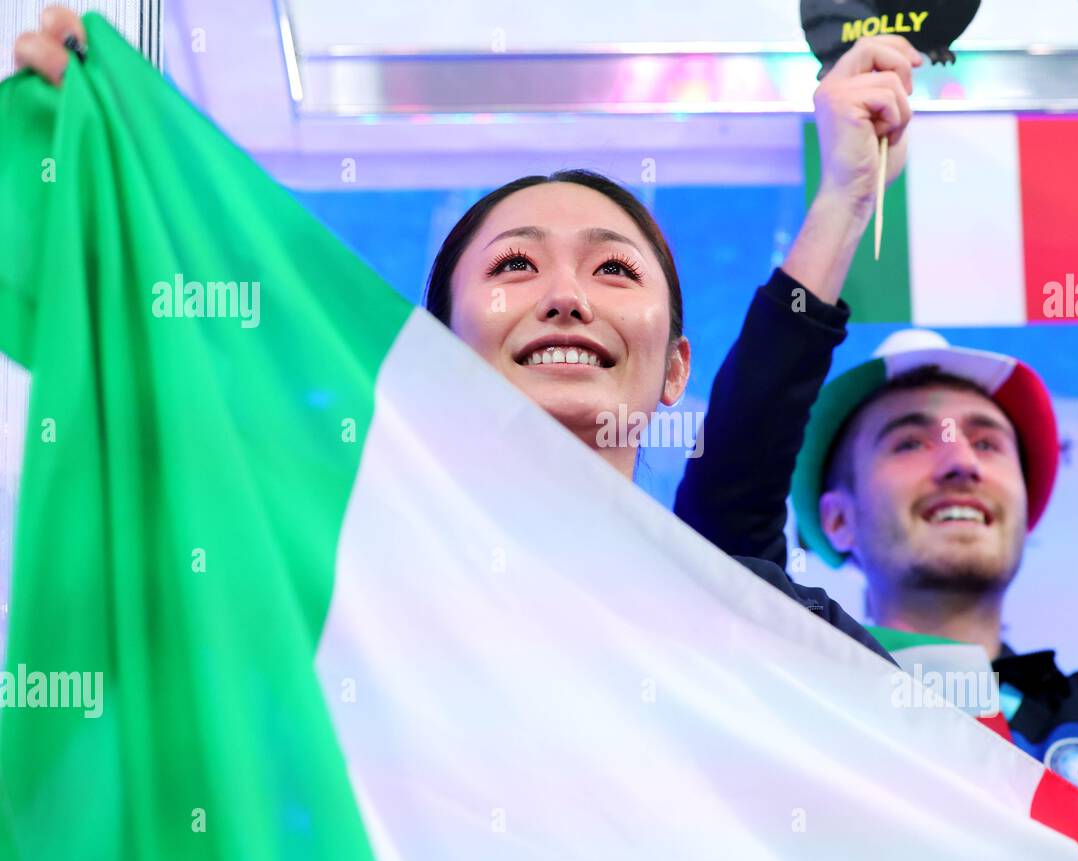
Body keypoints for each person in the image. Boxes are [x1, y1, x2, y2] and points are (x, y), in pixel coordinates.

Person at [13, 8, 922, 664]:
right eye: (515, 267)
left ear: (675, 368)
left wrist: (846, 200)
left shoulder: (751, 622)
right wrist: (86, 187)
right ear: (438, 351)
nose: (567, 298)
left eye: (613, 270)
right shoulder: (337, 599)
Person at [675, 54, 1078, 843]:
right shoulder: (794, 684)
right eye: (908, 439)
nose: (958, 458)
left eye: (986, 438)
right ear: (835, 521)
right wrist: (846, 202)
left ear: (1028, 506)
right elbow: (719, 528)